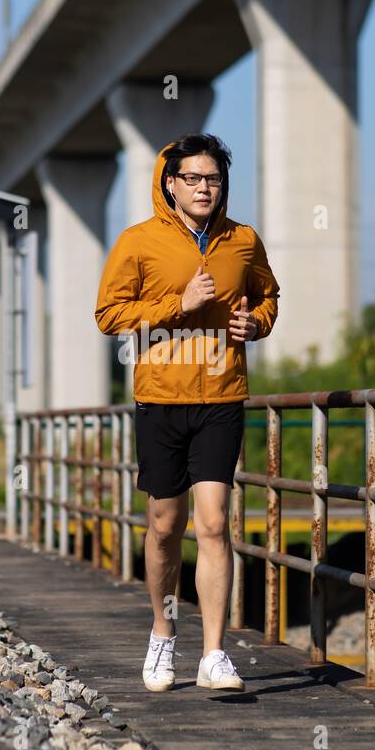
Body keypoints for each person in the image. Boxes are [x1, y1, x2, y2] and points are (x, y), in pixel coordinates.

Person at [94, 133, 279, 692]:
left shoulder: (242, 241)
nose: (205, 188)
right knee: (164, 526)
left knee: (215, 524)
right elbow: (109, 314)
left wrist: (258, 323)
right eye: (194, 178)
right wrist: (180, 305)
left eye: (214, 179)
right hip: (161, 400)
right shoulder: (139, 243)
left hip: (222, 397)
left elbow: (269, 296)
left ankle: (215, 653)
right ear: (169, 183)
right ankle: (162, 634)